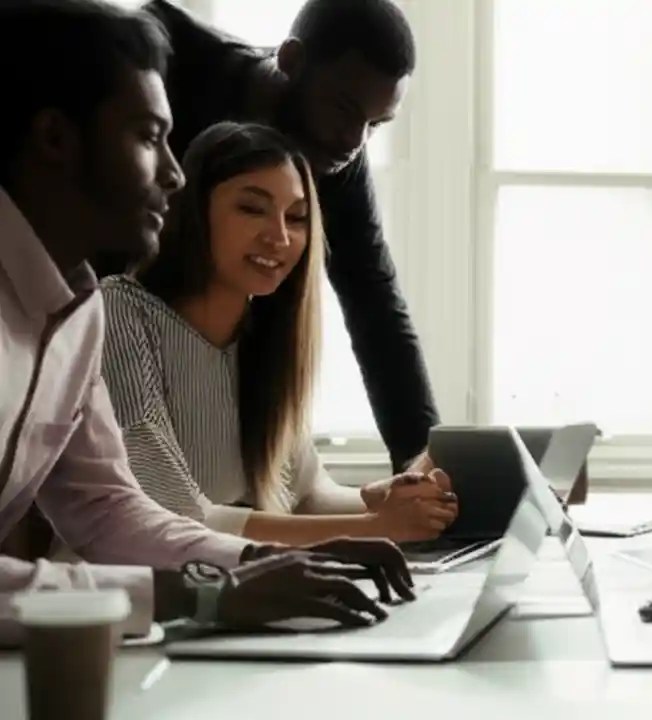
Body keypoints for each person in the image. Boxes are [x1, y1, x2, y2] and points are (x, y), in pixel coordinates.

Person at [0, 0, 414, 644]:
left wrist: (255, 563)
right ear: (55, 139)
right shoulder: (115, 310)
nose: (174, 175)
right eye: (148, 138)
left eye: (297, 217)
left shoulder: (77, 312)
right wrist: (201, 594)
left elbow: (106, 507)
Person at [92, 0, 437, 472]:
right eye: (345, 109)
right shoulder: (161, 63)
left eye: (375, 125)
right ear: (291, 60)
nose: (355, 142)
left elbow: (377, 309)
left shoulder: (339, 154)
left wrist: (426, 469)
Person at [100, 121, 458, 546]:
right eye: (252, 209)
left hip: (221, 580)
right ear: (194, 210)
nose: (280, 237)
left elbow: (307, 497)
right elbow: (177, 514)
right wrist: (374, 527)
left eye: (297, 217)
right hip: (112, 582)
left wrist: (379, 500)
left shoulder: (263, 341)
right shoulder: (119, 309)